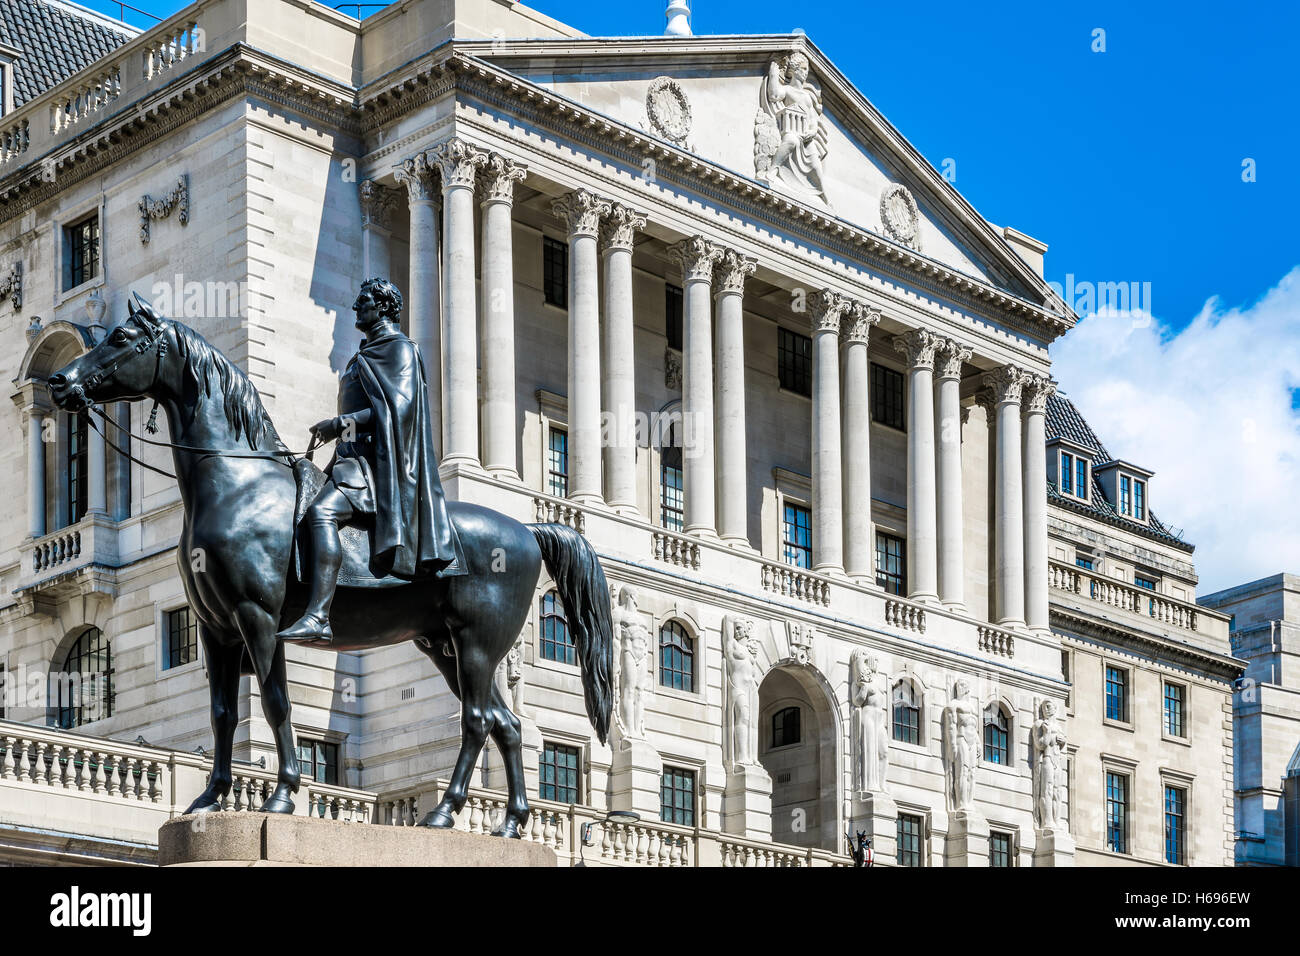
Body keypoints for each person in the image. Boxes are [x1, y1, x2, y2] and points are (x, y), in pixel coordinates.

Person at [277, 278, 463, 643]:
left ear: (382, 306)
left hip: (379, 469)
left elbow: (398, 410)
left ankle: (318, 617)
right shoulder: (365, 354)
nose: (354, 308)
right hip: (350, 461)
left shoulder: (399, 350)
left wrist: (338, 424)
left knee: (321, 514)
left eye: (362, 302)